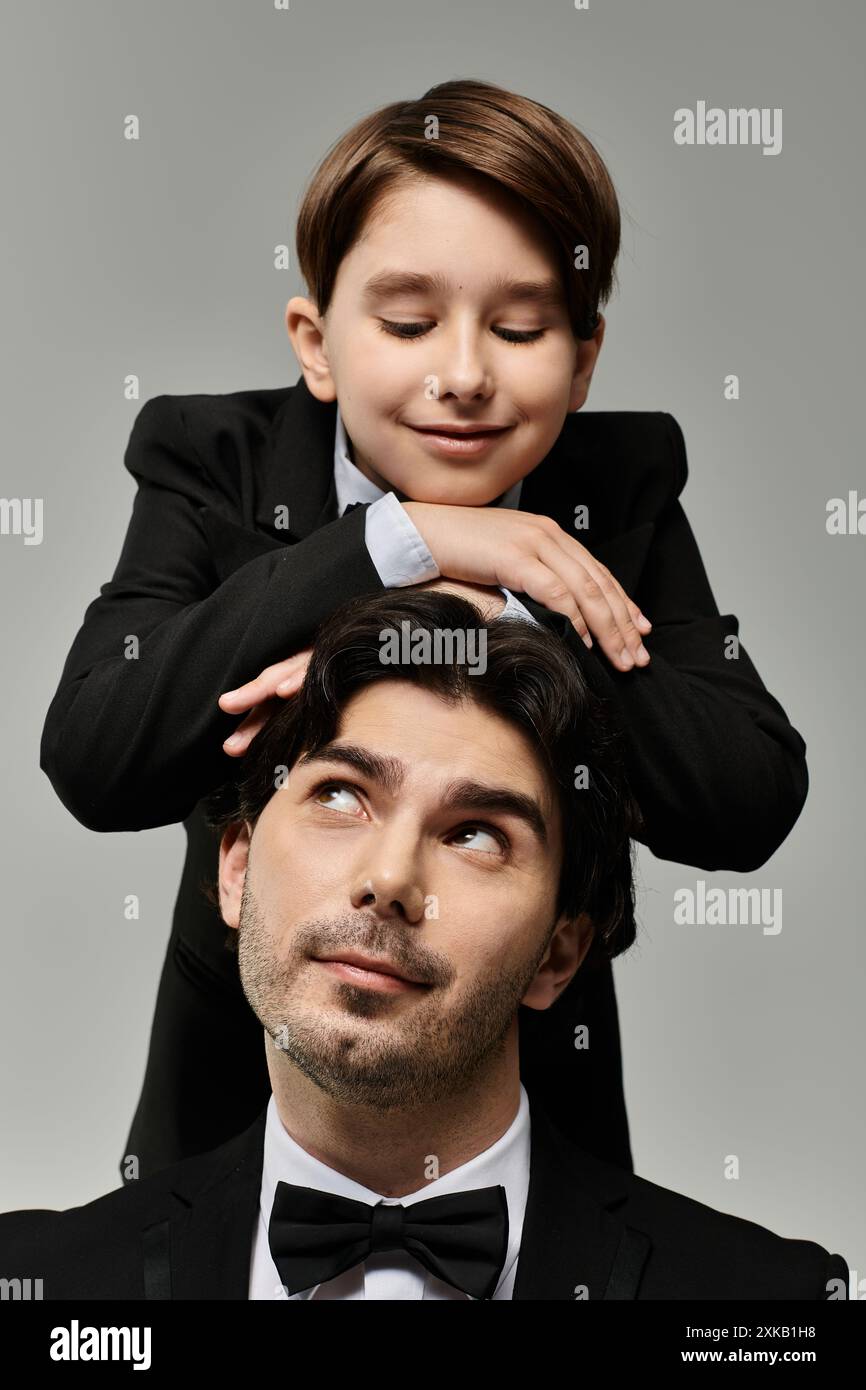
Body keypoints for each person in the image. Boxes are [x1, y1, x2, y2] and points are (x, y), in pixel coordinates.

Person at [39, 78, 808, 1182]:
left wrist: (479, 606)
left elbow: (746, 799)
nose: (462, 375)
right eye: (406, 324)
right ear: (316, 341)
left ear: (583, 359)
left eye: (519, 327)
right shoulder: (212, 458)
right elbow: (95, 753)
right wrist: (392, 545)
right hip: (239, 1096)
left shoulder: (619, 485)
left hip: (528, 1090)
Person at [7, 593, 843, 1299]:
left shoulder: (772, 1310)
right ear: (236, 869)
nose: (391, 879)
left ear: (561, 952)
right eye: (341, 794)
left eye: (476, 835)